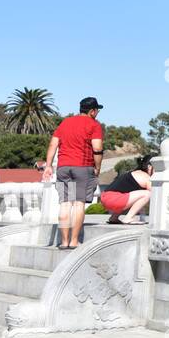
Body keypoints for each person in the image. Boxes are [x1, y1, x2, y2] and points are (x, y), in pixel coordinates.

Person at [43, 96, 105, 249]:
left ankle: (63, 242)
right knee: (78, 204)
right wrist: (97, 167)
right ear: (92, 111)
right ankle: (74, 241)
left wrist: (48, 165)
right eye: (97, 110)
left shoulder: (65, 122)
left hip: (64, 168)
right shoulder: (94, 124)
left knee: (65, 204)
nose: (97, 113)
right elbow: (97, 148)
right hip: (82, 168)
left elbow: (53, 144)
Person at [99, 158, 153, 225]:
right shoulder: (146, 177)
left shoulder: (136, 172)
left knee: (129, 197)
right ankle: (128, 218)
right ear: (149, 167)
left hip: (106, 198)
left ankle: (114, 218)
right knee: (147, 194)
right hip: (112, 199)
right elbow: (155, 194)